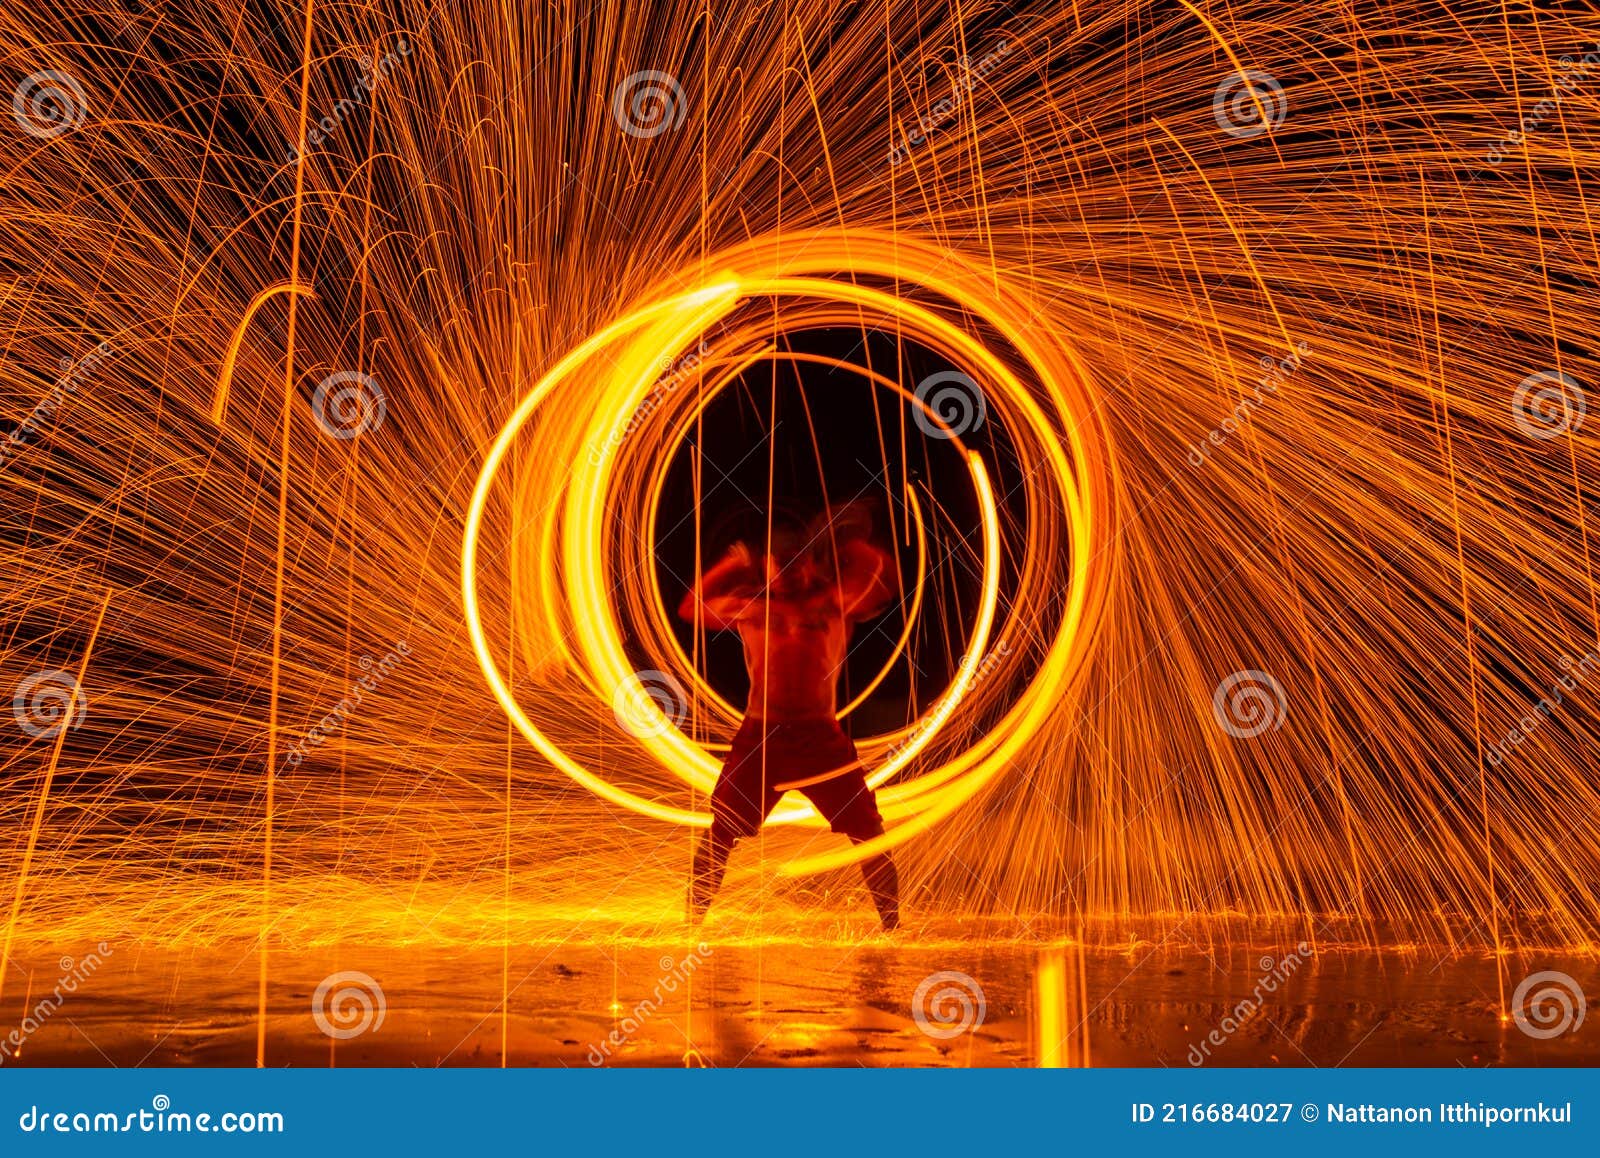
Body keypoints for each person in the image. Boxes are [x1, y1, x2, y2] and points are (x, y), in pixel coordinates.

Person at [678, 505, 902, 930]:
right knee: (721, 834)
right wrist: (735, 560)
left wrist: (850, 540)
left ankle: (893, 929)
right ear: (765, 564)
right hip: (761, 740)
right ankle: (691, 927)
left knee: (870, 835)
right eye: (780, 561)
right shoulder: (751, 607)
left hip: (822, 741)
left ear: (812, 558)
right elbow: (692, 608)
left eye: (798, 557)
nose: (789, 568)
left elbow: (882, 580)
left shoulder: (833, 602)